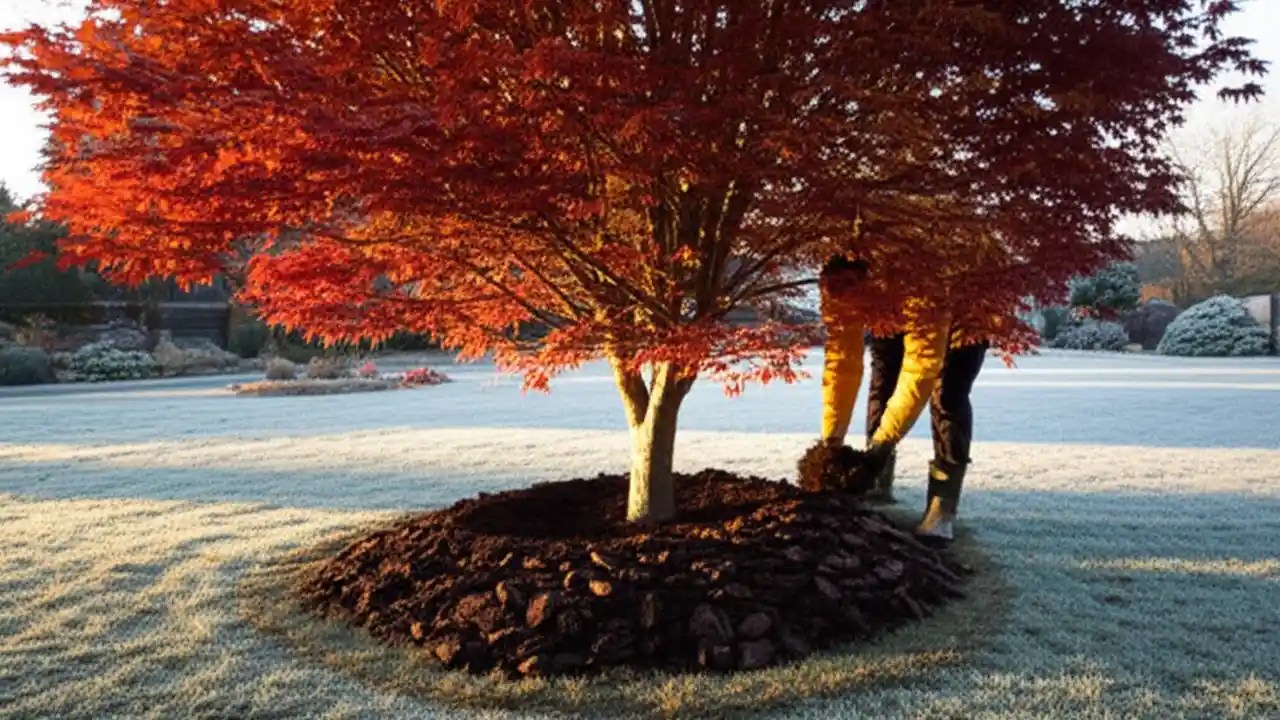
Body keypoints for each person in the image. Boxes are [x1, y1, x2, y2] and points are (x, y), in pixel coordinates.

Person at [800, 254, 987, 547]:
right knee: (884, 377)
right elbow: (842, 361)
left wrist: (882, 443)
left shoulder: (922, 278)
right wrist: (830, 444)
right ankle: (875, 484)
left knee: (948, 391)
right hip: (894, 296)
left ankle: (942, 507)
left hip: (964, 297)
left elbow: (922, 366)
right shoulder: (841, 273)